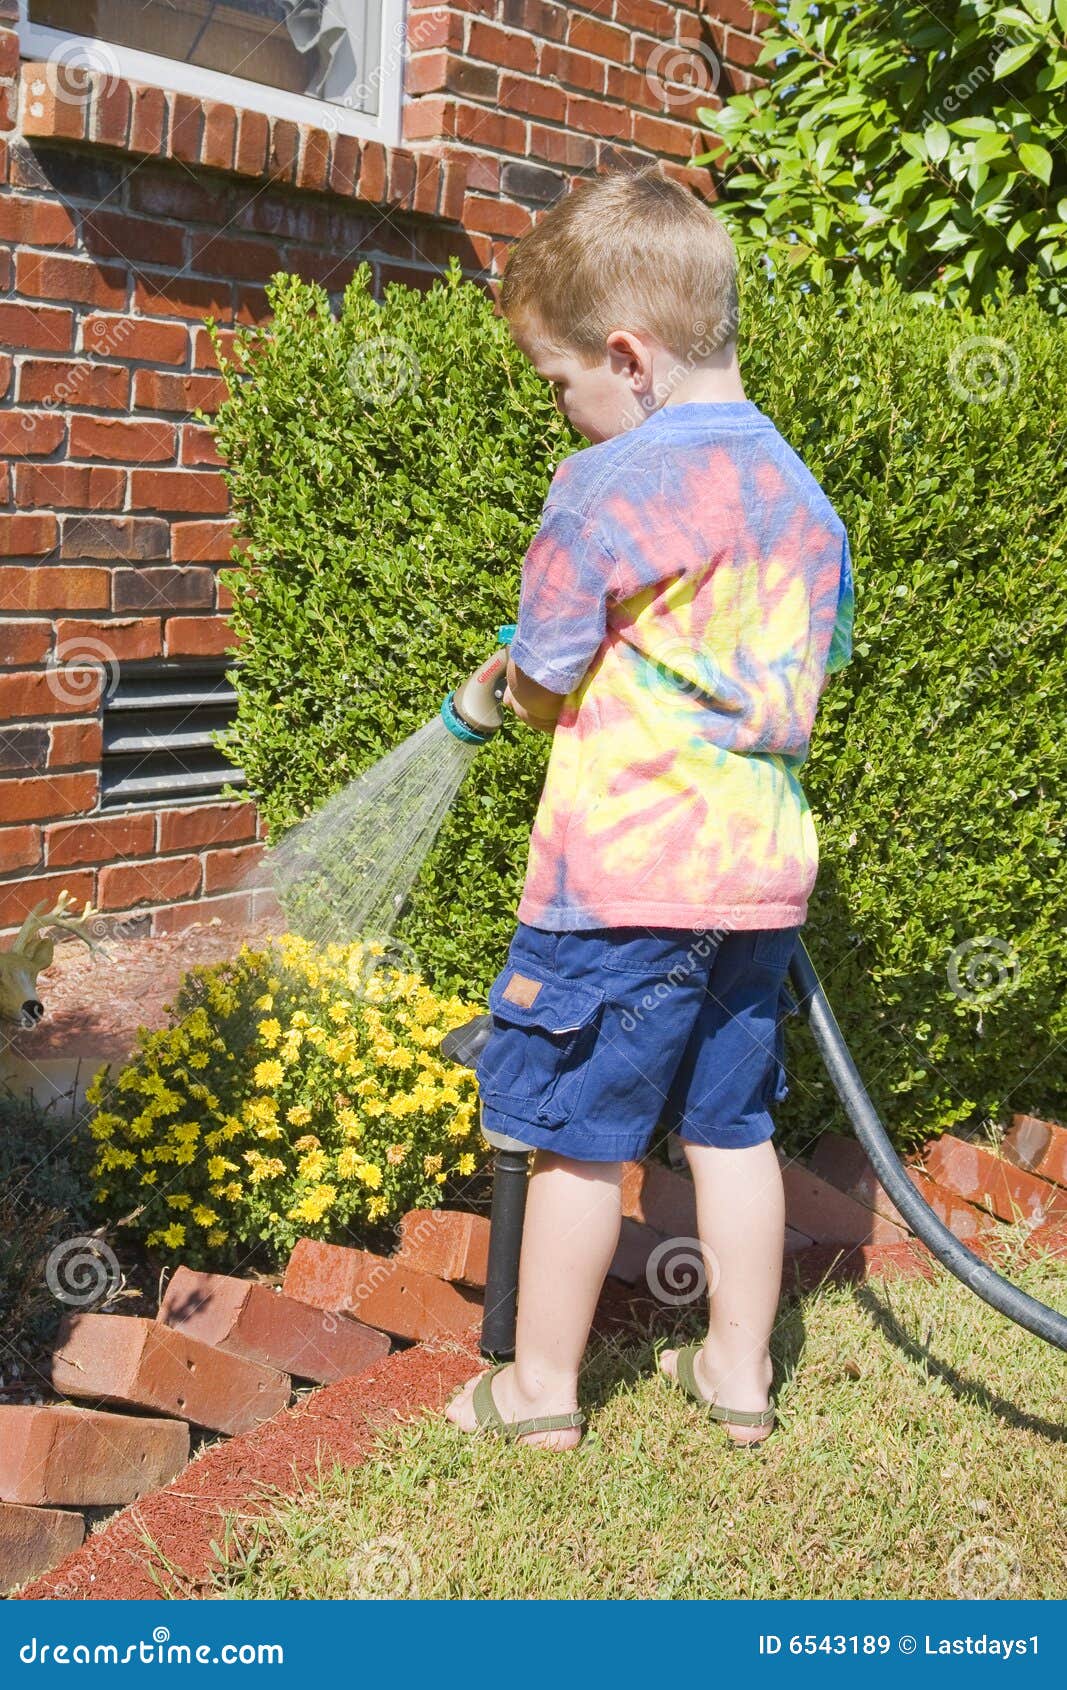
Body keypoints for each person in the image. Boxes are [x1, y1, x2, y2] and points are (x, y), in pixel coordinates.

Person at [444, 165, 854, 1452]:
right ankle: (738, 1376)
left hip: (617, 879)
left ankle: (538, 1392)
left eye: (559, 382)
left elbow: (549, 680)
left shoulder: (605, 485)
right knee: (731, 1128)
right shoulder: (805, 500)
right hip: (755, 880)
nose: (561, 411)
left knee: (575, 1140)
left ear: (627, 356)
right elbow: (787, 668)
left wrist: (500, 684)